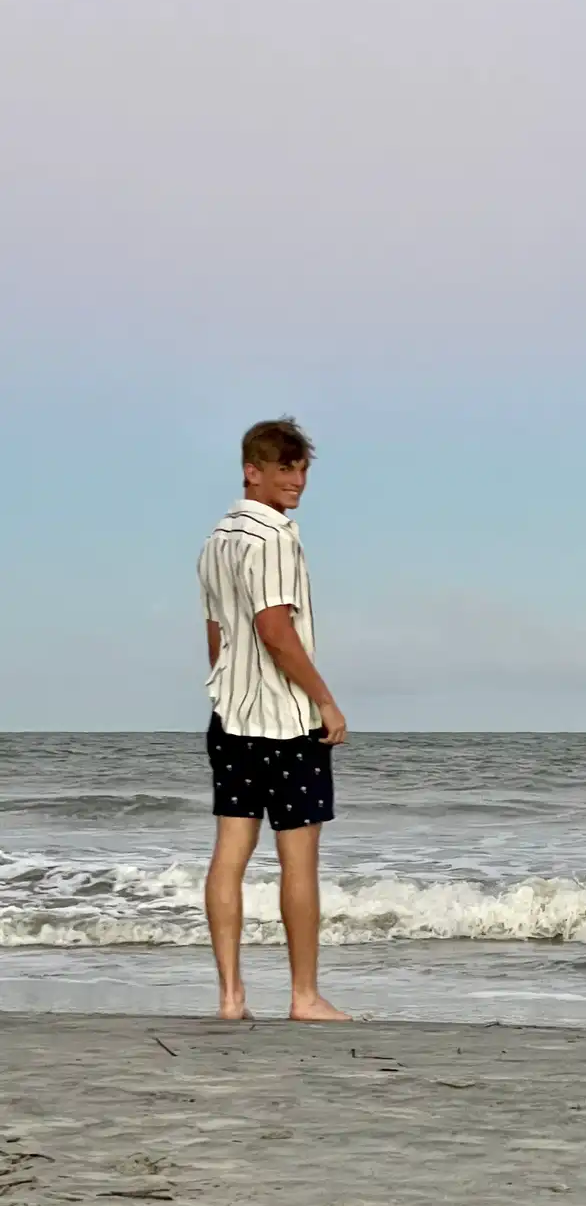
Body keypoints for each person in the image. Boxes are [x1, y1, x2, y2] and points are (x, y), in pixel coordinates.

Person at [196, 418, 351, 1022]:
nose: (297, 481)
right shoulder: (273, 538)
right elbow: (274, 631)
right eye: (284, 468)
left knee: (230, 852)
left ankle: (230, 996)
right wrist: (325, 700)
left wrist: (228, 693)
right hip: (286, 722)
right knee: (298, 862)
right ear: (251, 471)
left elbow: (217, 635)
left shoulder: (216, 540)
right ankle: (304, 996)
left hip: (231, 717)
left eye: (302, 468)